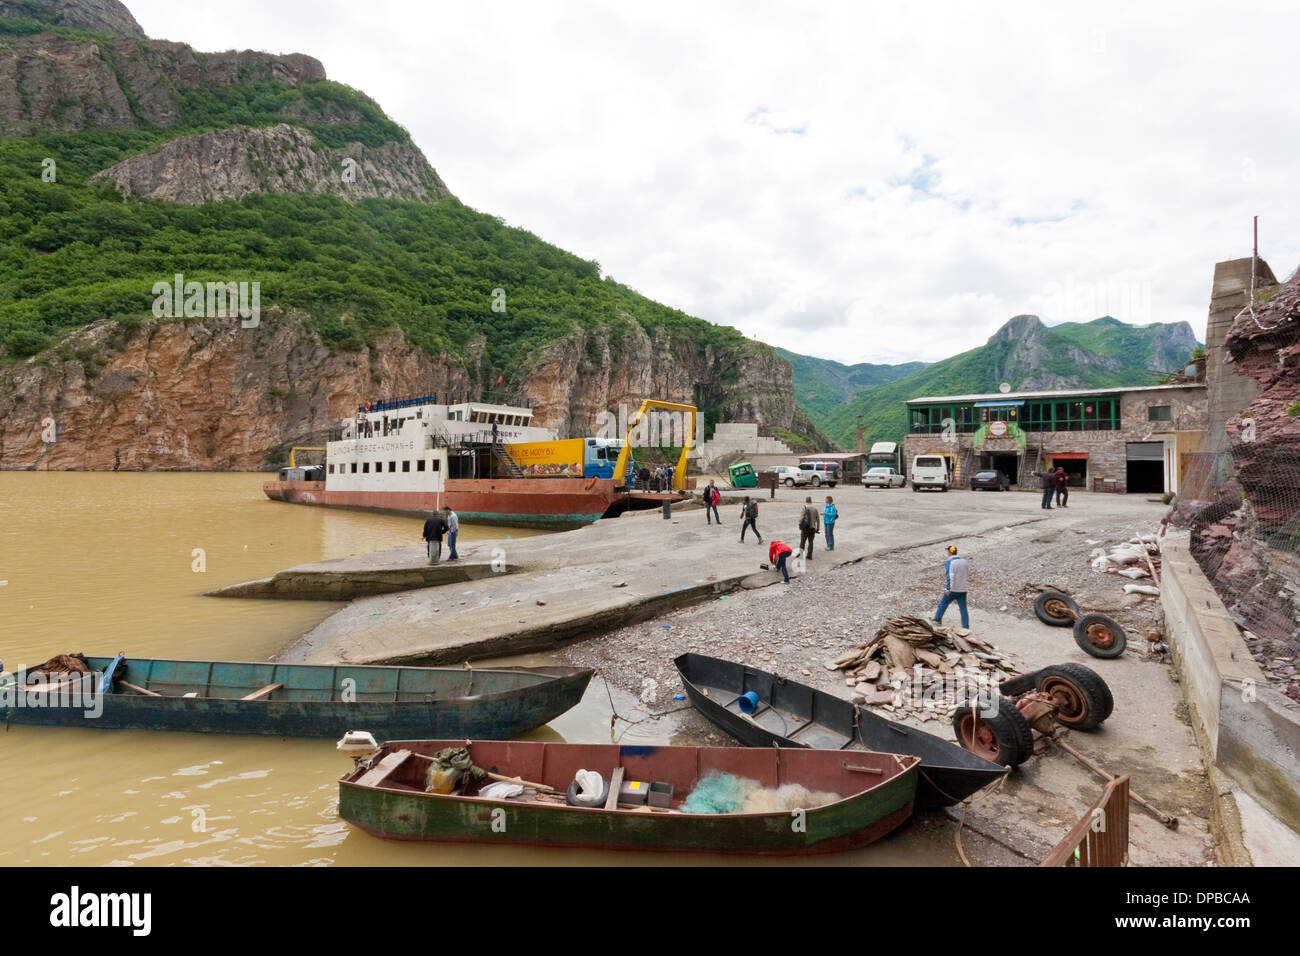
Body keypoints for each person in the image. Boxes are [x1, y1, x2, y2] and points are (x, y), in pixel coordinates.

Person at [932, 544, 970, 634]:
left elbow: (950, 576)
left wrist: (948, 588)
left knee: (943, 603)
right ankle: (965, 626)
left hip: (953, 589)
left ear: (949, 552)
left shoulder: (950, 562)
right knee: (963, 608)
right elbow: (967, 573)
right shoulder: (964, 561)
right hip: (963, 588)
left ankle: (937, 619)